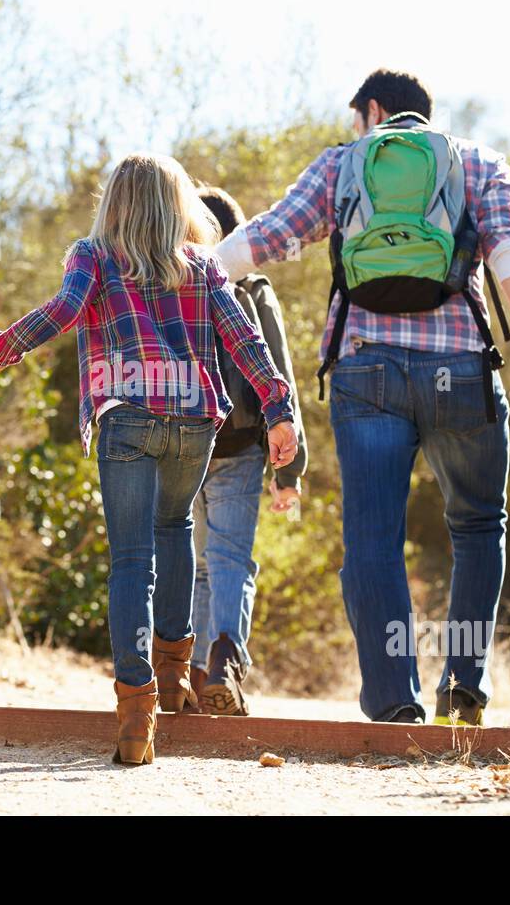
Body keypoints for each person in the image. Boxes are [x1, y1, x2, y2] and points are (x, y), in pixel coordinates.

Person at [214, 69, 510, 726]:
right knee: (478, 525)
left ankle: (394, 703)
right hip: (460, 370)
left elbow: (268, 238)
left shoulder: (342, 164)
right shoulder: (478, 163)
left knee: (373, 538)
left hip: (365, 372)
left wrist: (192, 268)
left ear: (372, 111)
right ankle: (463, 687)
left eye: (356, 120)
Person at [0, 154, 297, 764]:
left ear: (112, 202)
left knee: (131, 558)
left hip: (127, 417)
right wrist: (279, 410)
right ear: (179, 206)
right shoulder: (202, 263)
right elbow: (243, 339)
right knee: (175, 528)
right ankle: (174, 672)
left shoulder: (91, 255)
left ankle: (137, 709)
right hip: (196, 421)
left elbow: (64, 312)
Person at [189, 186, 308, 715]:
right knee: (231, 557)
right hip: (239, 444)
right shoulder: (253, 286)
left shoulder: (176, 282)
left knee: (196, 566)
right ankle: (224, 661)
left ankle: (190, 669)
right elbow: (279, 371)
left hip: (184, 442)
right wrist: (291, 469)